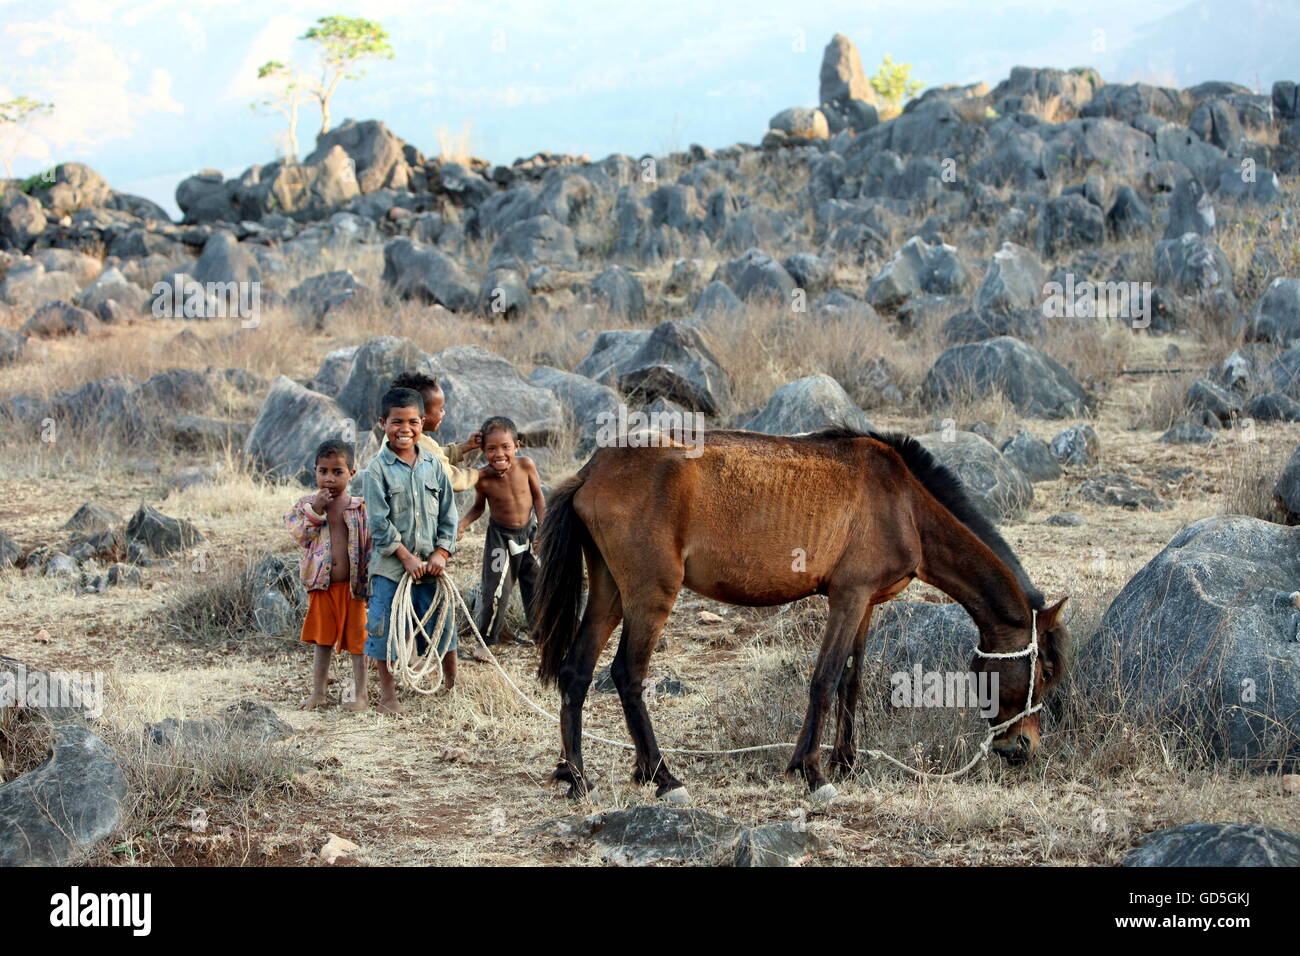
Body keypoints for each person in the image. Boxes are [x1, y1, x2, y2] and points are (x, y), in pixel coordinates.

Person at [361, 387, 459, 713]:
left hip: (431, 566)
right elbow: (378, 523)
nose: (405, 429)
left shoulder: (434, 465)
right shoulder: (376, 470)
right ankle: (388, 697)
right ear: (382, 424)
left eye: (413, 421)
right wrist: (406, 557)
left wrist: (441, 553)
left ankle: (450, 685)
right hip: (392, 567)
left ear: (423, 422)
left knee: (442, 624)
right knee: (384, 626)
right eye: (396, 421)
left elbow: (448, 514)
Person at [284, 439, 371, 712]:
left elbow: (370, 544)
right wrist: (316, 511)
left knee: (359, 642)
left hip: (354, 589)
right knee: (322, 641)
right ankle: (318, 692)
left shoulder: (360, 508)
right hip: (321, 587)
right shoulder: (305, 505)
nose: (329, 479)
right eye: (323, 471)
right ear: (315, 472)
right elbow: (300, 536)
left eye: (337, 472)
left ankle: (361, 696)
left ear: (352, 474)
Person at [456, 416, 545, 650]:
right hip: (500, 539)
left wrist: (542, 531)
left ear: (517, 446)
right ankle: (486, 642)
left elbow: (538, 498)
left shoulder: (526, 465)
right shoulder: (483, 478)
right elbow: (478, 508)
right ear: (483, 450)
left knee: (536, 585)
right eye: (491, 449)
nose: (499, 454)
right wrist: (463, 523)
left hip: (529, 533)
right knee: (495, 591)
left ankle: (543, 636)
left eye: (506, 447)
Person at [389, 371, 481, 493]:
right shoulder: (424, 443)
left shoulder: (394, 437)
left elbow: (432, 455)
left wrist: (465, 447)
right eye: (440, 409)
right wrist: (480, 474)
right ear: (422, 414)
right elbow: (451, 479)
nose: (444, 413)